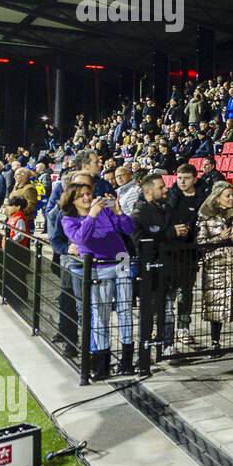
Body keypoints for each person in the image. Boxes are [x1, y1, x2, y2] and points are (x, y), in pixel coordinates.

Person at [60, 183, 136, 380]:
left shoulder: (105, 212)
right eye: (81, 196)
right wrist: (92, 215)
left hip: (120, 260)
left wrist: (118, 211)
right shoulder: (69, 219)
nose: (87, 198)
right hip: (98, 267)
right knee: (100, 315)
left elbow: (129, 228)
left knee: (125, 310)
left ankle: (127, 361)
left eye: (89, 194)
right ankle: (103, 365)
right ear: (72, 200)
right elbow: (81, 239)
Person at [196, 181, 233, 355]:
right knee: (215, 306)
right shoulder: (206, 215)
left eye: (232, 194)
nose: (231, 198)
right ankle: (215, 343)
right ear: (217, 197)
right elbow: (201, 242)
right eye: (227, 195)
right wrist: (219, 238)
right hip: (215, 266)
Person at [131, 172, 178, 358]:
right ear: (149, 191)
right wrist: (169, 233)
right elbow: (141, 241)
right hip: (149, 271)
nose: (165, 189)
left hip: (168, 268)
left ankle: (166, 345)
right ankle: (145, 347)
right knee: (148, 312)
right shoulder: (139, 212)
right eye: (161, 187)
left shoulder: (166, 208)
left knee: (167, 310)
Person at [165, 163, 202, 343]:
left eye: (186, 178)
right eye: (179, 178)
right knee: (169, 293)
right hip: (171, 253)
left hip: (191, 254)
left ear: (194, 179)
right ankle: (167, 330)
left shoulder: (202, 197)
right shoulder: (170, 197)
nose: (182, 181)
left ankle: (184, 328)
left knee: (186, 293)